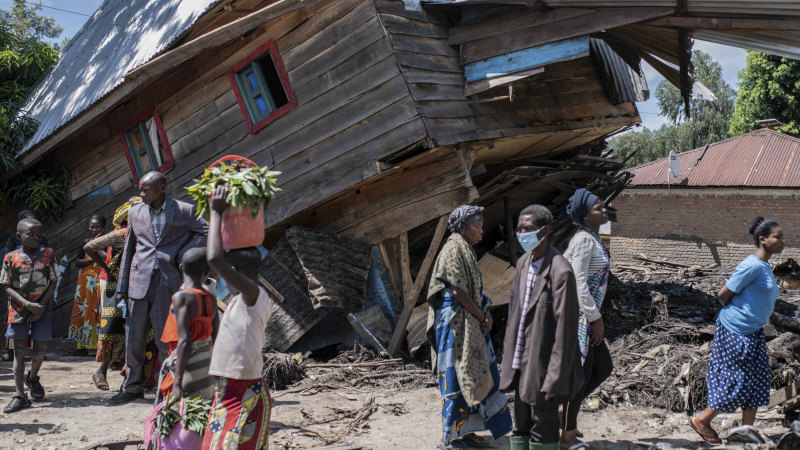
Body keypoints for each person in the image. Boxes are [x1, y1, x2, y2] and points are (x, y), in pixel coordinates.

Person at [108, 171, 207, 406]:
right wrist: (122, 287)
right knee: (133, 338)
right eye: (140, 189)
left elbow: (206, 231)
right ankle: (131, 387)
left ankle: (168, 389)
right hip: (138, 283)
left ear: (162, 187)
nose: (141, 193)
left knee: (167, 339)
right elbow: (129, 249)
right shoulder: (134, 212)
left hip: (168, 281)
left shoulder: (183, 210)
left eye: (146, 189)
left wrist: (184, 255)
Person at [690, 216, 785, 445]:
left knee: (757, 379)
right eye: (778, 237)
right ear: (762, 239)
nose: (783, 242)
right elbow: (723, 295)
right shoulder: (751, 265)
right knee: (738, 380)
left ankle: (747, 430)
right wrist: (740, 316)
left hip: (752, 331)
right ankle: (702, 420)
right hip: (737, 331)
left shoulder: (763, 266)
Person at [426, 205, 512, 450]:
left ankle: (465, 432)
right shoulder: (453, 249)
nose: (481, 232)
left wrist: (486, 313)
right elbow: (456, 291)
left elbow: (475, 291)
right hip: (454, 325)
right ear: (463, 228)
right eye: (477, 227)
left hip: (470, 321)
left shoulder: (467, 250)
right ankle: (448, 437)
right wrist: (480, 315)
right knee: (455, 377)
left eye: (481, 227)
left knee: (473, 376)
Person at [500, 205, 582, 450]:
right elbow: (514, 313)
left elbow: (566, 332)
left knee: (543, 430)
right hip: (520, 363)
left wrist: (555, 378)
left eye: (527, 229)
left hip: (544, 368)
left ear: (545, 231)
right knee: (521, 426)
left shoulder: (561, 271)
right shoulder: (524, 263)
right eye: (518, 229)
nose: (521, 234)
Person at [202, 186, 272, 450]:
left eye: (227, 273)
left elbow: (214, 259)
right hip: (228, 387)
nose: (222, 278)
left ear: (238, 272)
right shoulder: (237, 303)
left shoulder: (255, 297)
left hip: (244, 390)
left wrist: (215, 212)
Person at [560, 189, 614, 449]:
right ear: (584, 215)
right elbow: (579, 283)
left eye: (603, 207)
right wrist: (596, 319)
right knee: (579, 376)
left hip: (587, 316)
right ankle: (566, 438)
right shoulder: (583, 239)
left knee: (602, 368)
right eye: (598, 208)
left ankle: (564, 413)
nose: (603, 211)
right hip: (579, 318)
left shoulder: (593, 237)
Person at [1, 218, 57, 413]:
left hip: (42, 308)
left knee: (40, 350)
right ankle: (19, 395)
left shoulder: (47, 254)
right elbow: (6, 286)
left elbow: (52, 282)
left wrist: (39, 306)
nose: (35, 238)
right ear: (19, 236)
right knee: (19, 353)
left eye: (38, 234)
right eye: (30, 234)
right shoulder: (10, 258)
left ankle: (32, 378)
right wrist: (27, 305)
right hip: (18, 309)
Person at [84, 198, 140, 390]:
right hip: (114, 286)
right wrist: (106, 267)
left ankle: (130, 373)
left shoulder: (147, 233)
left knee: (134, 329)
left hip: (137, 285)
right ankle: (101, 370)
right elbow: (89, 247)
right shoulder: (121, 234)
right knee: (111, 328)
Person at [156, 246, 219, 403]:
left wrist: (178, 381)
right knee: (202, 405)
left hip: (184, 361)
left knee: (178, 406)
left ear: (181, 268)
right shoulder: (210, 298)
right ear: (207, 272)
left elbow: (184, 340)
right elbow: (216, 336)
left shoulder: (182, 297)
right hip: (204, 361)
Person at [1, 210, 48, 362]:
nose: (35, 235)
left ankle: (37, 351)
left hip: (38, 287)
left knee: (37, 320)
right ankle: (12, 352)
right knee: (14, 321)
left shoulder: (43, 240)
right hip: (18, 288)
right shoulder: (13, 243)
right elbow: (9, 262)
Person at [68, 215, 106, 354]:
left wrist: (96, 249)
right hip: (85, 284)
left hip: (100, 282)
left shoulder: (108, 241)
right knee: (84, 311)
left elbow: (107, 259)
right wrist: (92, 257)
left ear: (103, 227)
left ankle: (98, 347)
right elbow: (77, 262)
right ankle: (82, 346)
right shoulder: (86, 242)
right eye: (92, 226)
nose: (94, 229)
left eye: (97, 226)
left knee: (99, 311)